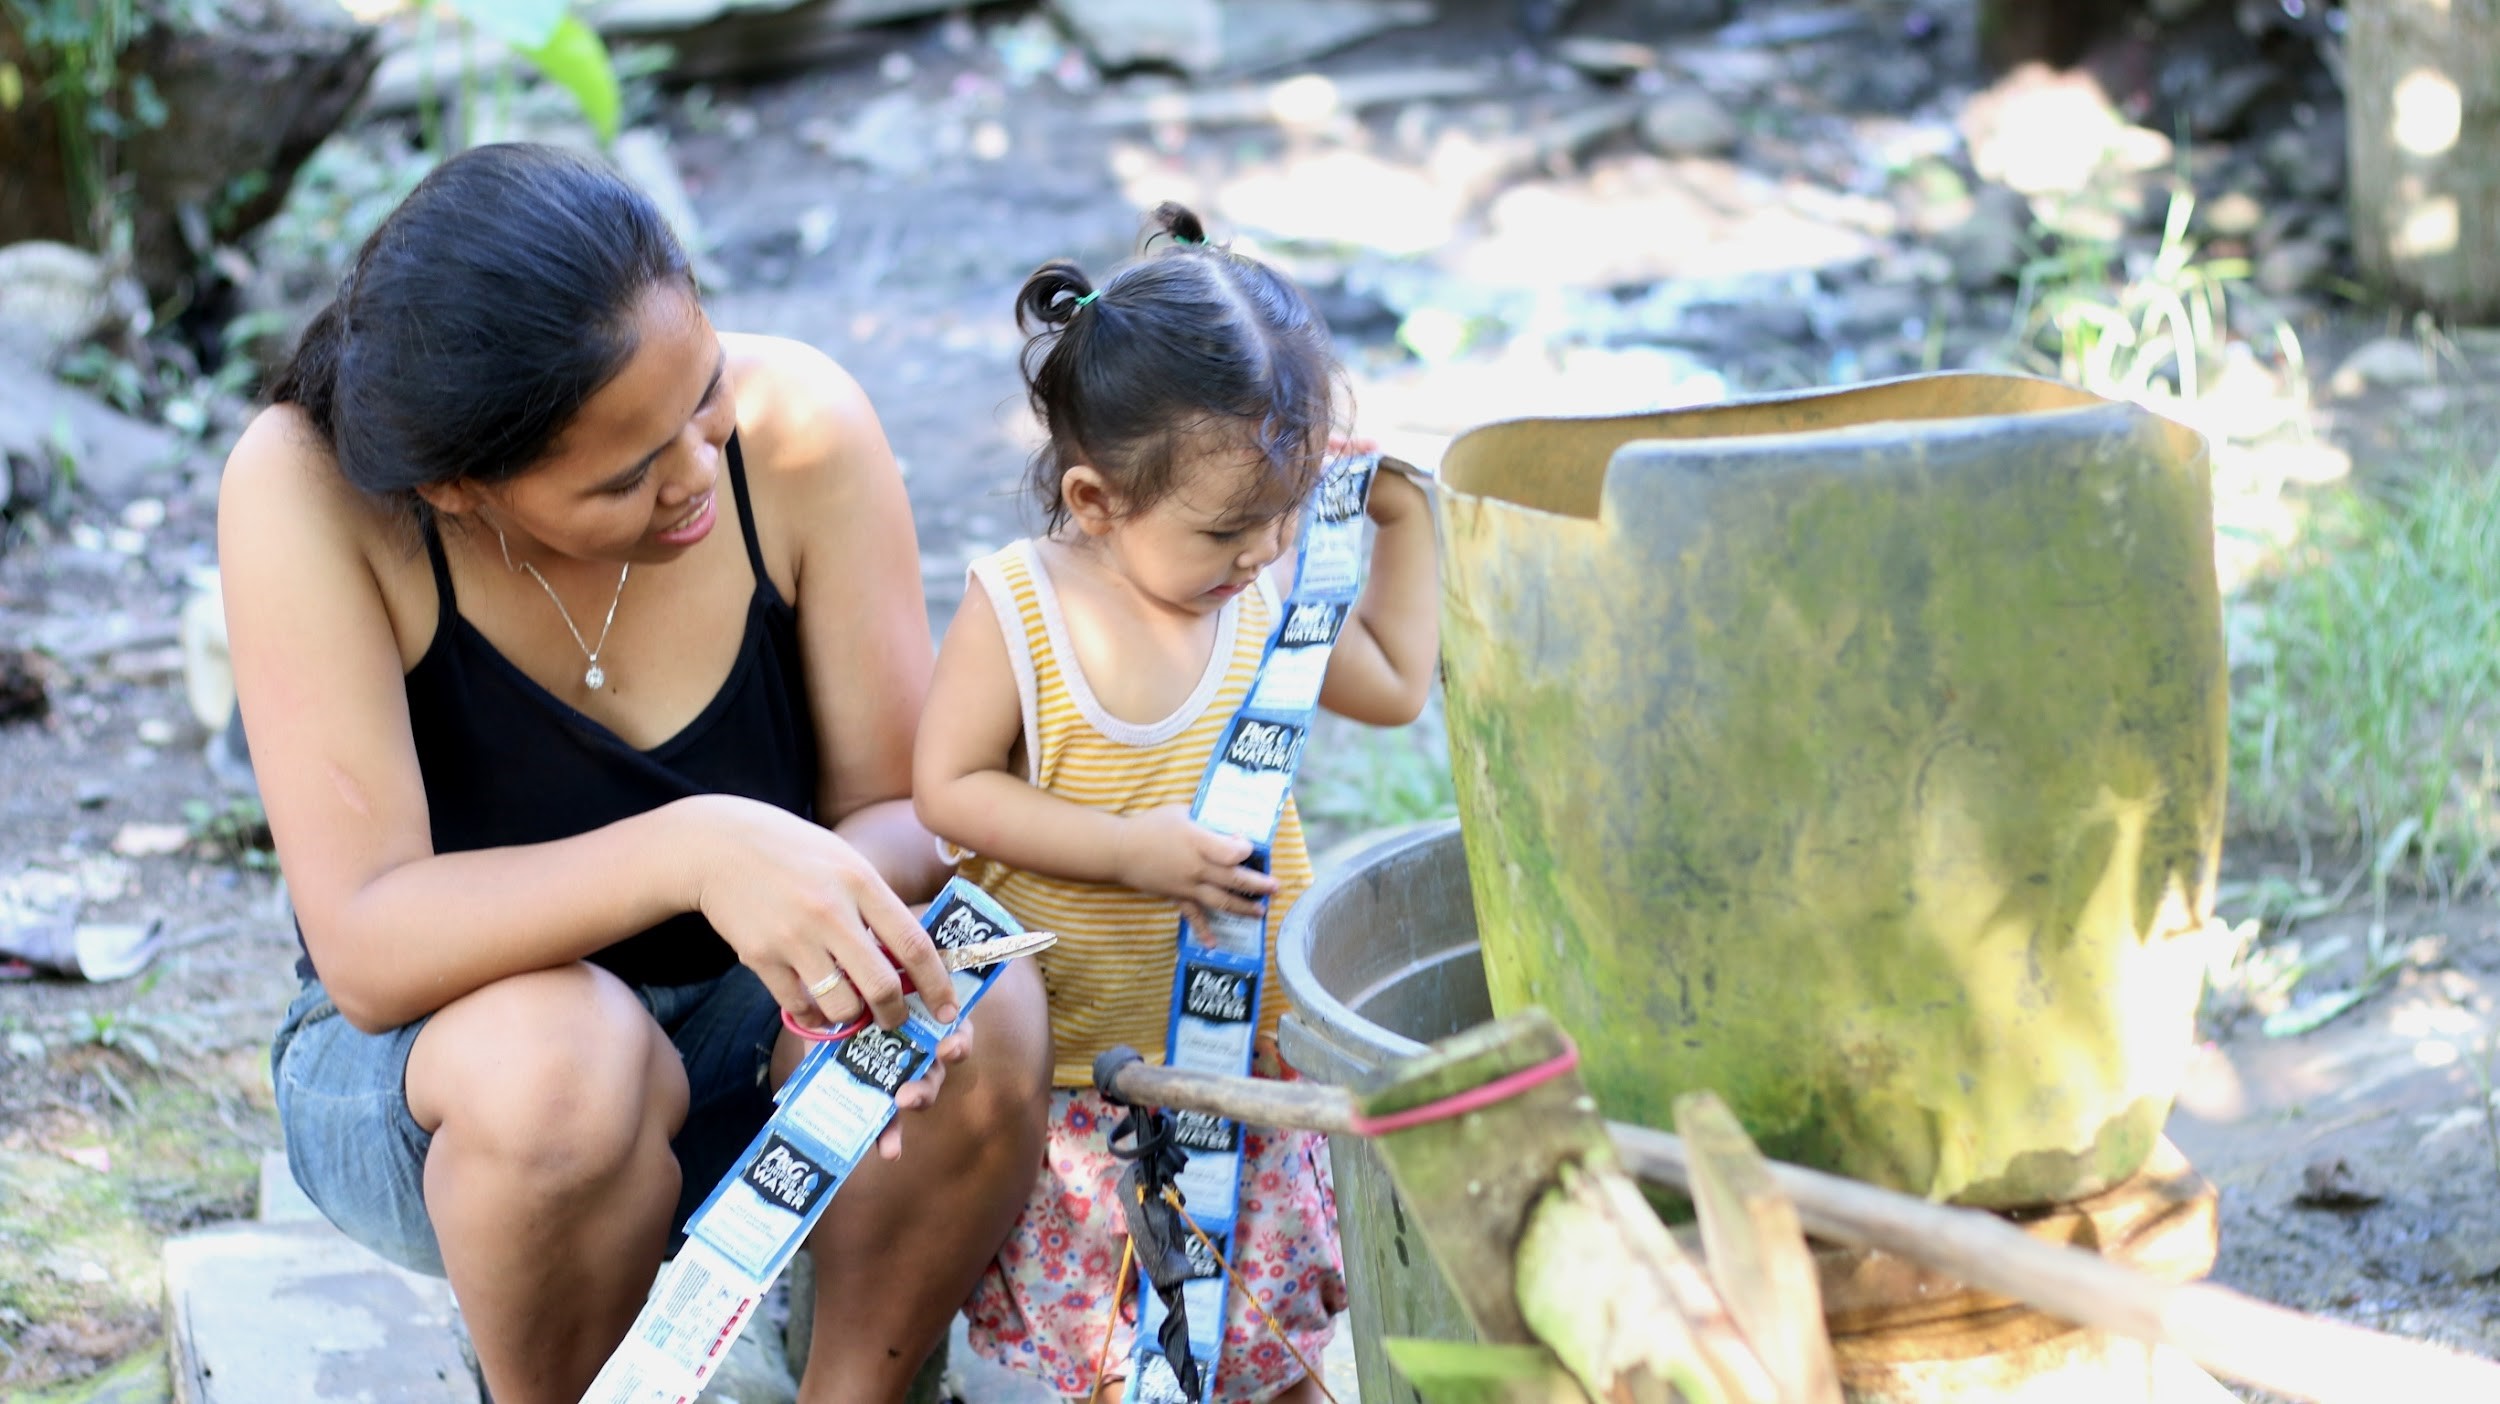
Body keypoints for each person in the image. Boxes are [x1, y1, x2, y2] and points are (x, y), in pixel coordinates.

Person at [219, 142, 1052, 1404]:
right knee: (567, 1062)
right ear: (459, 489)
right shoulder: (311, 492)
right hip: (455, 1092)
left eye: (703, 394)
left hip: (764, 1025)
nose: (697, 471)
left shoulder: (798, 430)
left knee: (973, 994)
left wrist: (830, 917)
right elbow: (370, 943)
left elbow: (900, 814)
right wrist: (698, 849)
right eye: (624, 476)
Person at [913, 204, 1440, 1404]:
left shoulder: (1254, 602)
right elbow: (947, 793)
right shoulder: (1019, 609)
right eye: (1227, 529)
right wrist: (1122, 851)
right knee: (1128, 1367)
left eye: (1286, 513)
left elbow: (1401, 686)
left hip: (1240, 1073)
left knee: (1279, 1353)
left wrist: (1404, 517)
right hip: (1084, 1098)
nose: (1263, 552)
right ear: (1095, 503)